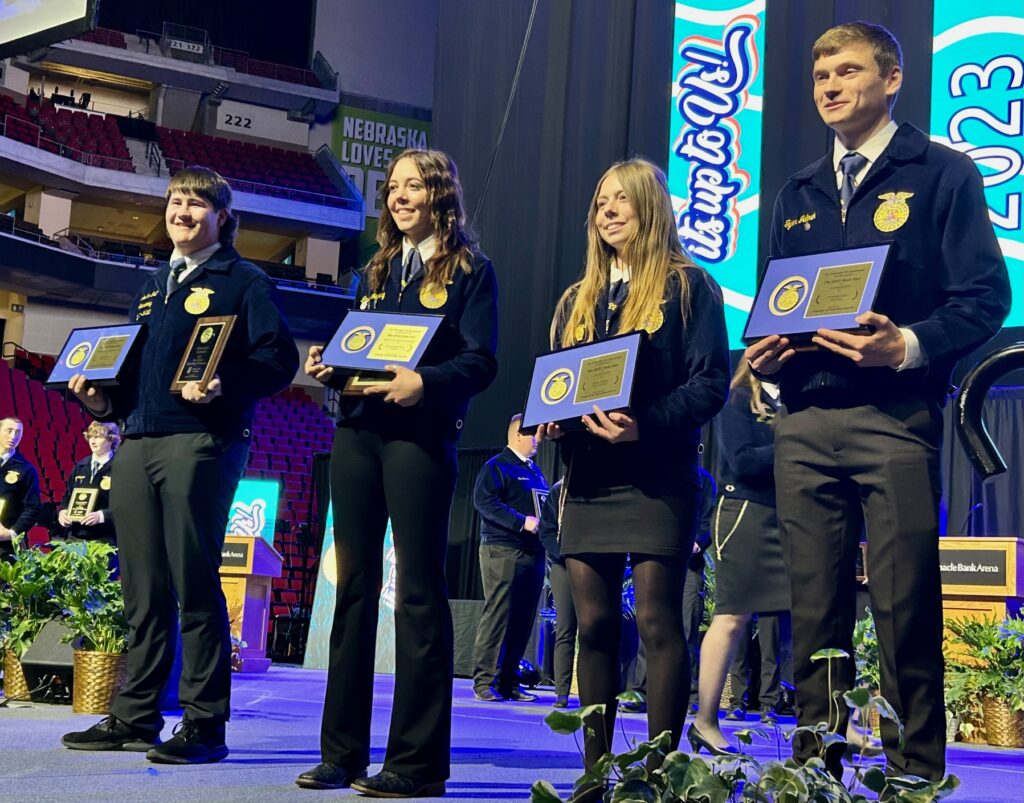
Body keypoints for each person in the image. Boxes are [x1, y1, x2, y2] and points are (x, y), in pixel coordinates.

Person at [745, 22, 1009, 781]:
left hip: (895, 421)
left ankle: (913, 777)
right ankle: (815, 777)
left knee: (903, 612)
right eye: (820, 72)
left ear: (891, 79)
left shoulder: (942, 173)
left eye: (848, 69)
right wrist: (764, 360)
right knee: (814, 613)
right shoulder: (795, 192)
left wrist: (909, 345)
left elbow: (987, 296)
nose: (829, 84)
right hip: (804, 422)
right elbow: (780, 303)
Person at [61, 166, 299, 764]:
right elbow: (134, 377)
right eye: (175, 201)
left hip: (201, 441)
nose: (182, 212)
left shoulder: (244, 280)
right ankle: (135, 716)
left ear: (222, 217)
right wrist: (101, 401)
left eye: (197, 203)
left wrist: (226, 382)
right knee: (142, 589)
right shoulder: (151, 285)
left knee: (195, 585)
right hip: (138, 441)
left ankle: (203, 723)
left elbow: (278, 358)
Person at [298, 149, 498, 798]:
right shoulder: (375, 270)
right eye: (392, 187)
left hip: (418, 438)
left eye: (414, 185)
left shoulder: (470, 270)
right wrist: (330, 362)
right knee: (353, 589)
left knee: (418, 592)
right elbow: (358, 347)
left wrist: (426, 383)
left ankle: (416, 761)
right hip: (357, 433)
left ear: (440, 192)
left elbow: (481, 361)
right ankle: (342, 752)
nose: (399, 196)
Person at [540, 158, 729, 780]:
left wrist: (646, 424)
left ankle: (658, 775)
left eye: (623, 200)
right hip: (589, 480)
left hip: (656, 477)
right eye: (601, 203)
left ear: (651, 208)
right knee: (592, 623)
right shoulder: (578, 298)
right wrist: (552, 414)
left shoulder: (689, 286)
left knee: (656, 621)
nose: (609, 211)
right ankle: (596, 773)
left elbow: (710, 385)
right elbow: (563, 383)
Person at [688, 361, 789, 754]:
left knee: (819, 613)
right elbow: (744, 461)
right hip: (746, 514)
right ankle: (706, 720)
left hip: (792, 515)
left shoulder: (797, 400)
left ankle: (837, 719)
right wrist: (792, 439)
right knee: (731, 617)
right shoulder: (739, 400)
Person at [622, 467, 715, 714]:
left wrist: (698, 542)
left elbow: (710, 520)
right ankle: (641, 691)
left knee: (686, 630)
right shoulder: (656, 475)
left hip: (688, 564)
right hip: (655, 563)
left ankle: (690, 694)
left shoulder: (703, 479)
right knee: (648, 626)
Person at [471, 414, 548, 703]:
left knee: (522, 619)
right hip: (502, 550)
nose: (538, 439)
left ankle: (508, 681)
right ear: (517, 435)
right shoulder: (497, 466)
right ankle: (484, 681)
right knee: (499, 615)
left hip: (532, 553)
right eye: (532, 434)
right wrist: (520, 522)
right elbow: (484, 502)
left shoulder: (534, 471)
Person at [537, 479, 575, 708]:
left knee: (597, 628)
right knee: (565, 628)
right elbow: (546, 531)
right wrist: (564, 556)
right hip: (563, 566)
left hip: (592, 565)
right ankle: (562, 692)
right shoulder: (559, 491)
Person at [56, 422, 120, 547]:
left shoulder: (120, 467)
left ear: (111, 439)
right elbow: (67, 498)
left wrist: (102, 516)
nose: (93, 440)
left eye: (98, 436)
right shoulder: (80, 466)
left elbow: (126, 505)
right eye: (91, 436)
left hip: (105, 540)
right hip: (75, 538)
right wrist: (63, 512)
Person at [0, 416, 42, 561]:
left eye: (18, 432)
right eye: (9, 430)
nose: (13, 436)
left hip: (4, 547)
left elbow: (33, 508)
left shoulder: (26, 469)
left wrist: (12, 532)